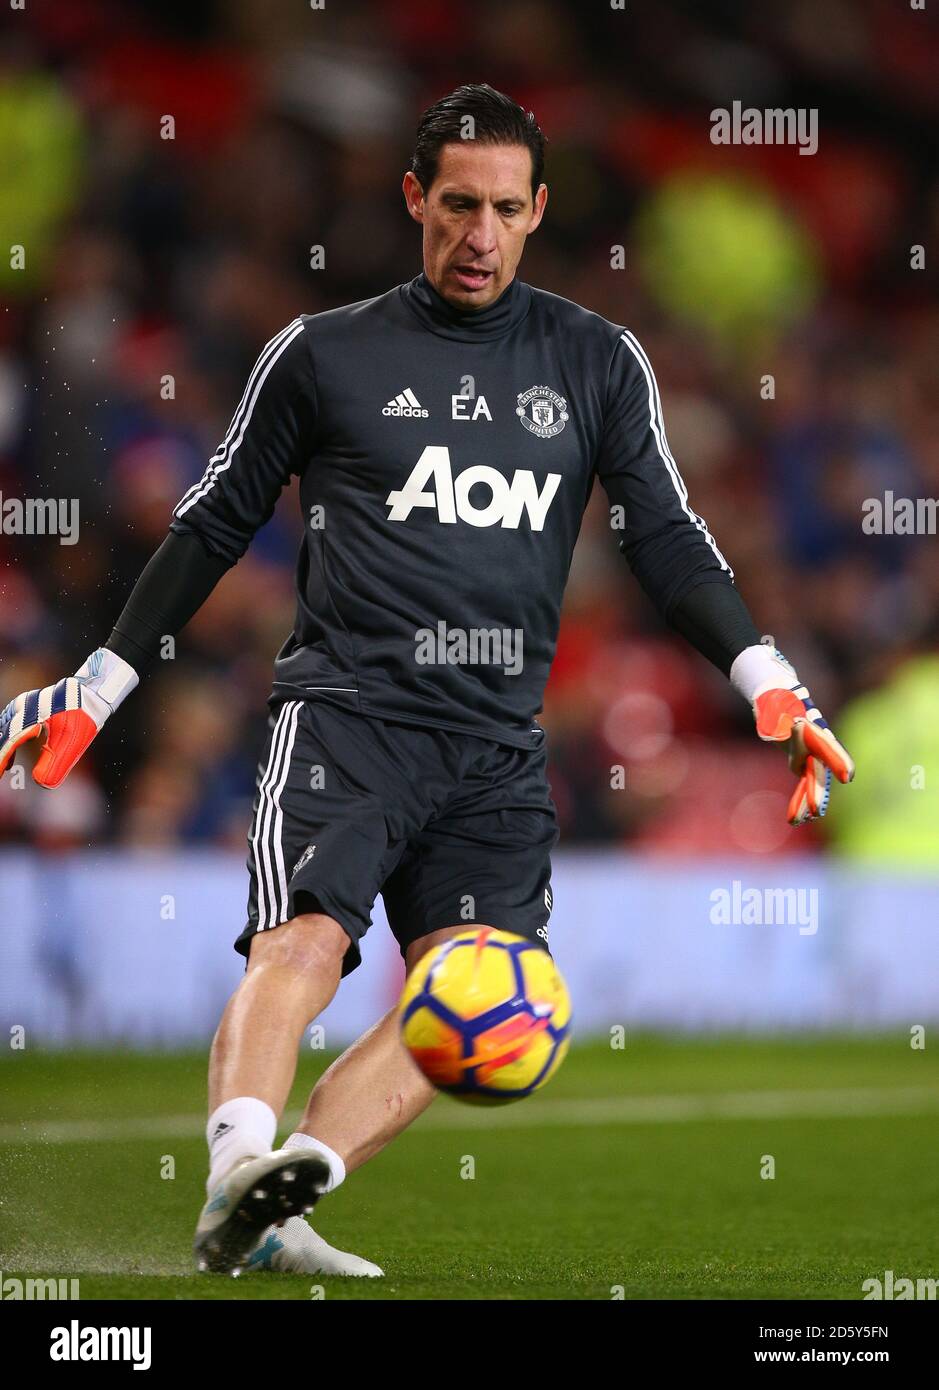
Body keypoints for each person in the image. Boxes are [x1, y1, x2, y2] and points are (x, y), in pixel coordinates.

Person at [0, 84, 854, 1278]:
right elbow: (209, 524)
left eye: (507, 209)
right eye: (458, 205)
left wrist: (768, 675)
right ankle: (237, 1160)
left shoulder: (597, 360)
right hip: (348, 717)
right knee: (297, 942)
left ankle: (283, 1202)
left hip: (499, 752)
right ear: (415, 198)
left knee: (477, 999)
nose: (481, 235)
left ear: (539, 209)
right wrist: (96, 686)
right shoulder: (322, 353)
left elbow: (668, 533)